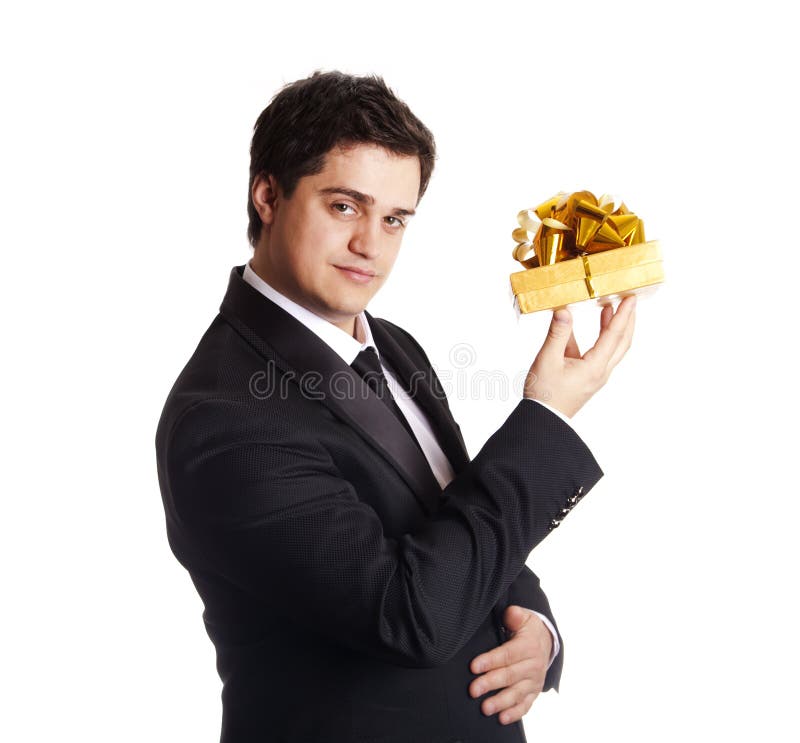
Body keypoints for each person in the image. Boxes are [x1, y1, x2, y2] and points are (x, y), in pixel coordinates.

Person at [155, 70, 636, 743]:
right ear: (268, 194)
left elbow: (461, 518)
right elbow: (408, 612)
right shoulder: (228, 419)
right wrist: (547, 415)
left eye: (394, 218)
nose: (370, 246)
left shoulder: (393, 346)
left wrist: (535, 625)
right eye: (344, 207)